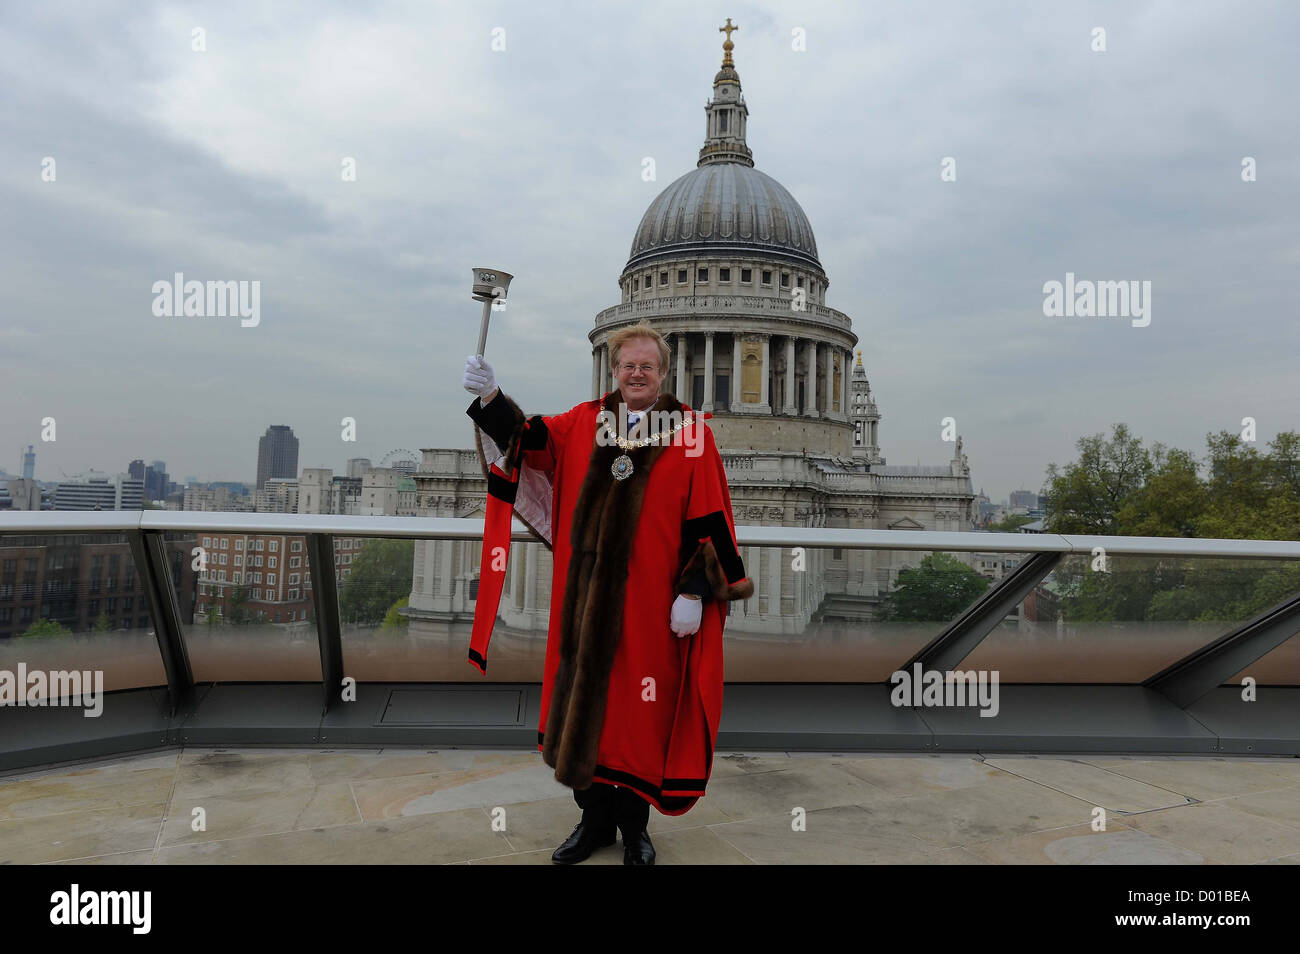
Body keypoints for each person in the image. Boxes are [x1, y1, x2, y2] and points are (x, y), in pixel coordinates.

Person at [462, 322, 752, 865]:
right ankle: (593, 821)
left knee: (642, 715)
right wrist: (491, 398)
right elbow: (528, 442)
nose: (636, 374)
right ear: (613, 370)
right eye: (627, 365)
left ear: (664, 373)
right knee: (584, 706)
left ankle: (635, 828)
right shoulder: (582, 422)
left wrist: (693, 591)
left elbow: (712, 518)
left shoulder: (691, 433)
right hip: (584, 602)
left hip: (650, 607)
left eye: (647, 365)